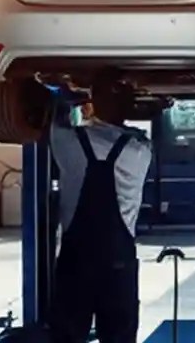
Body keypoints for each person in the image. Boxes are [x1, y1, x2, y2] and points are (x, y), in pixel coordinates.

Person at [49, 69, 153, 343]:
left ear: (92, 103)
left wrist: (68, 95)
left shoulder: (68, 142)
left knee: (67, 337)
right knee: (119, 338)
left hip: (75, 266)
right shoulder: (139, 150)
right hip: (117, 267)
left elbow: (54, 118)